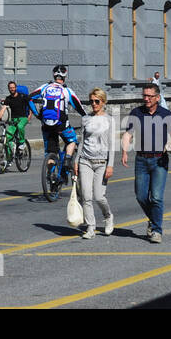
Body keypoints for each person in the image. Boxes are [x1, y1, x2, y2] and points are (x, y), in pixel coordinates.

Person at [121, 82, 171, 243]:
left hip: (160, 160)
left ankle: (156, 230)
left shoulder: (166, 114)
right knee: (140, 196)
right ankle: (153, 219)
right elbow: (128, 134)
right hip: (141, 160)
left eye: (149, 96)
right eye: (144, 95)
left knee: (157, 197)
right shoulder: (136, 113)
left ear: (157, 98)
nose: (146, 99)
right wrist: (124, 151)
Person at [74, 88, 115, 239]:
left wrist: (110, 165)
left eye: (97, 101)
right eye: (91, 101)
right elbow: (82, 141)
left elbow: (111, 144)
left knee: (99, 196)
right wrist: (77, 161)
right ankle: (90, 227)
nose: (93, 104)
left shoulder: (110, 120)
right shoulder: (86, 118)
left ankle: (108, 216)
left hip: (101, 162)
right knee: (86, 195)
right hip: (85, 160)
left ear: (103, 102)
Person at [0, 80, 31, 160]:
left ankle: (21, 143)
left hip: (23, 118)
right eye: (10, 88)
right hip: (14, 120)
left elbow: (31, 105)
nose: (12, 89)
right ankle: (9, 158)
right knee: (7, 138)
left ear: (16, 88)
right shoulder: (8, 99)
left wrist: (29, 116)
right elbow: (3, 110)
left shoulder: (22, 96)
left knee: (20, 126)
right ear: (8, 89)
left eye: (13, 87)